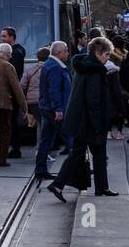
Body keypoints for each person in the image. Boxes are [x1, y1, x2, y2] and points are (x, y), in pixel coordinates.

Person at [48, 36, 117, 201]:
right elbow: (94, 100)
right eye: (107, 54)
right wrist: (98, 125)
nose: (108, 58)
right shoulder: (95, 71)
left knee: (84, 153)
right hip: (88, 121)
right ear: (99, 53)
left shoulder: (84, 66)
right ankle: (99, 187)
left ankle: (99, 187)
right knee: (91, 153)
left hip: (81, 119)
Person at [34, 41, 72, 181]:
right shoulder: (55, 67)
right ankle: (77, 169)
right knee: (70, 137)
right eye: (66, 50)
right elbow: (54, 90)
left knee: (46, 139)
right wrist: (58, 109)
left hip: (47, 108)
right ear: (59, 52)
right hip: (54, 109)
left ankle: (40, 169)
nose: (68, 53)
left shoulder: (49, 64)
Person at [0, 27, 27, 159]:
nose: (2, 39)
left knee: (11, 121)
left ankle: (15, 148)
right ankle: (12, 147)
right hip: (10, 92)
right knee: (9, 121)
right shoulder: (17, 51)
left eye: (4, 36)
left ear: (12, 37)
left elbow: (14, 74)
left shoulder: (16, 53)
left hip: (11, 93)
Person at [20, 46, 48, 150]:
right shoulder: (50, 69)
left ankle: (40, 148)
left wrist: (24, 102)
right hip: (44, 101)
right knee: (44, 125)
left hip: (32, 102)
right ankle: (41, 148)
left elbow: (21, 86)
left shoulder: (30, 70)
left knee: (41, 124)